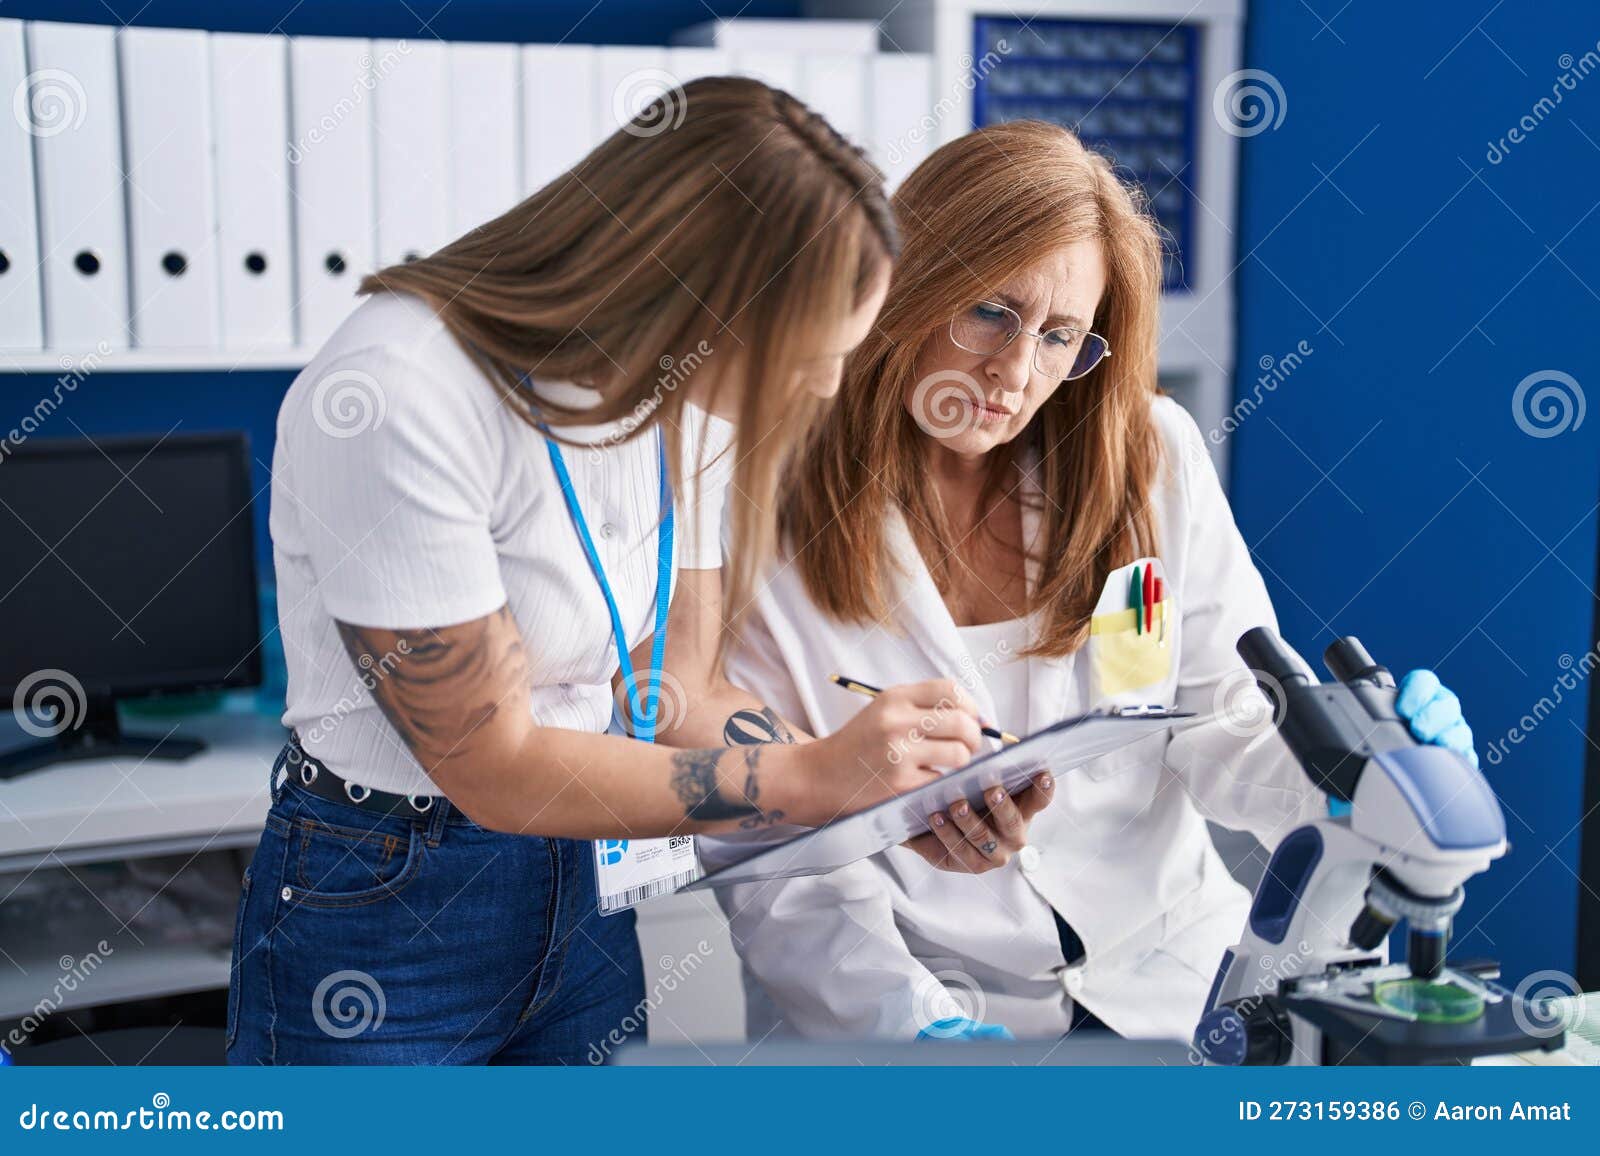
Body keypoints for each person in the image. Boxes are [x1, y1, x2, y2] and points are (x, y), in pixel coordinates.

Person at [228, 79, 1049, 1066]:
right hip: (391, 893)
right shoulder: (397, 391)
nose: (826, 387)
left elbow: (671, 686)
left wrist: (877, 795)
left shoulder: (686, 395)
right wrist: (814, 776)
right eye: (809, 351)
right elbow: (499, 767)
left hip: (584, 881)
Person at [707, 120, 1479, 1042]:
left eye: (1061, 336)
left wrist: (1357, 783)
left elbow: (1229, 716)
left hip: (1173, 976)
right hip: (909, 989)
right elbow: (770, 840)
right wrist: (912, 1029)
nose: (1014, 371)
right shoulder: (759, 497)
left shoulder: (1148, 456)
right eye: (992, 310)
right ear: (906, 281)